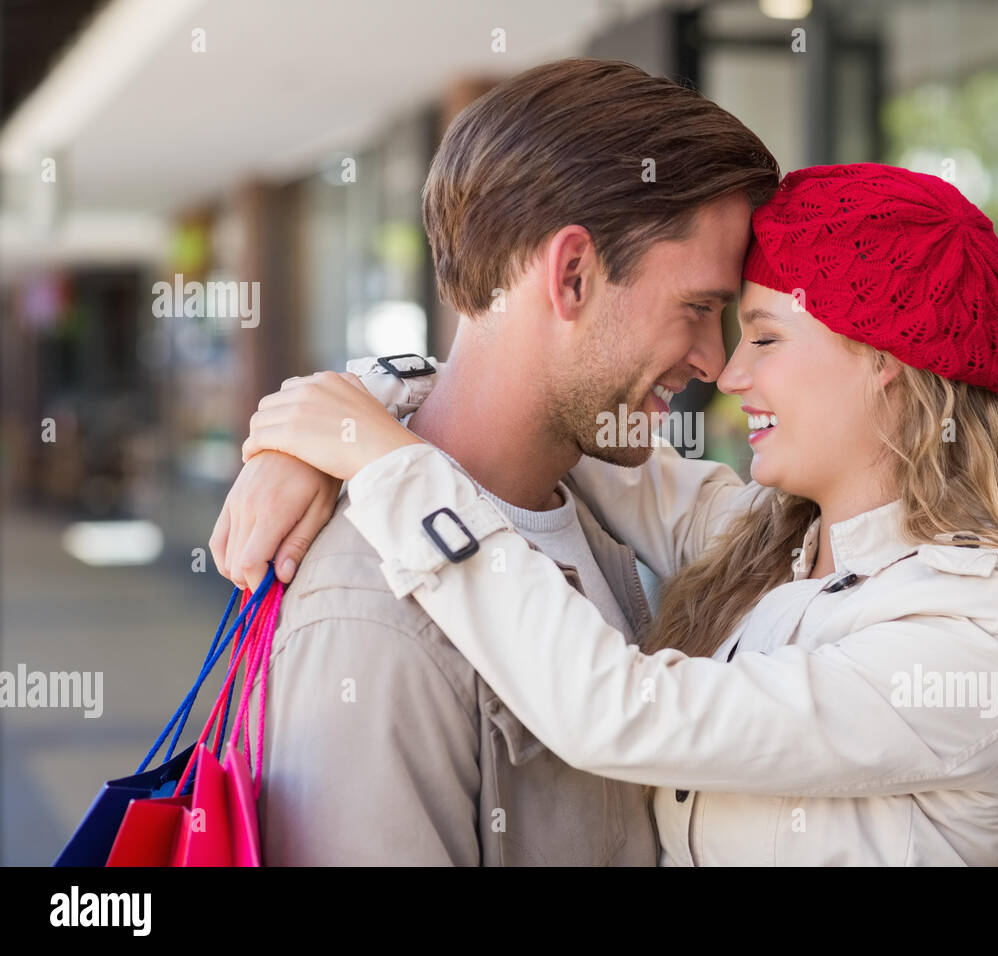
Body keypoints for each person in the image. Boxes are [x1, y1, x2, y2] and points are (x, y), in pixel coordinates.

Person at [229, 163, 998, 866]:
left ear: (884, 360)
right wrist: (335, 418)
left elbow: (618, 711)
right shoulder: (772, 540)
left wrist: (377, 455)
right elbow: (540, 408)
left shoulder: (973, 633)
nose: (729, 375)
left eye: (763, 337)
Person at [207, 57, 780, 865]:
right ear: (573, 274)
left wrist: (353, 410)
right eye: (698, 308)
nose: (714, 363)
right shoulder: (371, 612)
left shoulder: (593, 496)